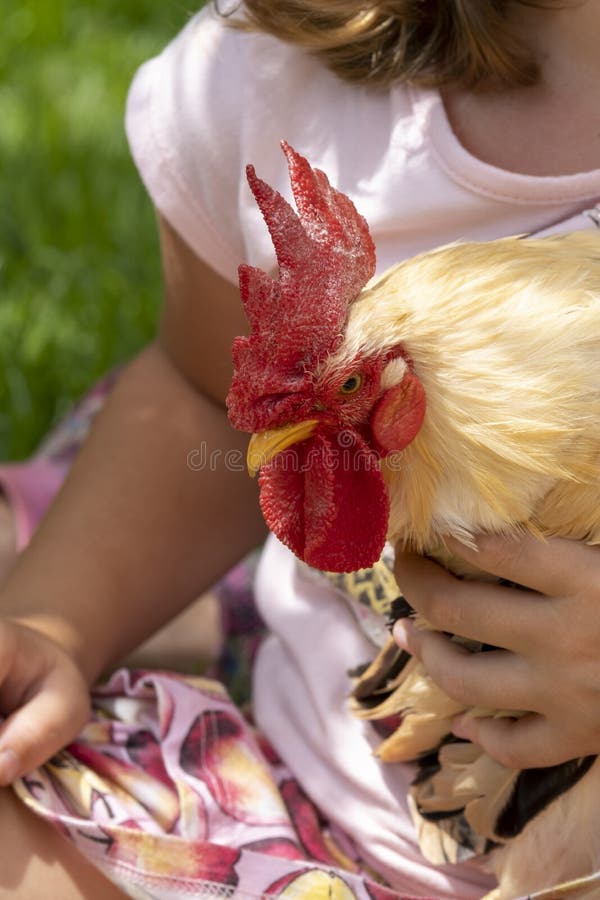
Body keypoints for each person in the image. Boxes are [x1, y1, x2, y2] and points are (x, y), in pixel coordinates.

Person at [0, 0, 600, 897]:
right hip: (312, 782)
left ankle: (211, 614)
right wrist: (55, 625)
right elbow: (207, 396)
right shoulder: (275, 65)